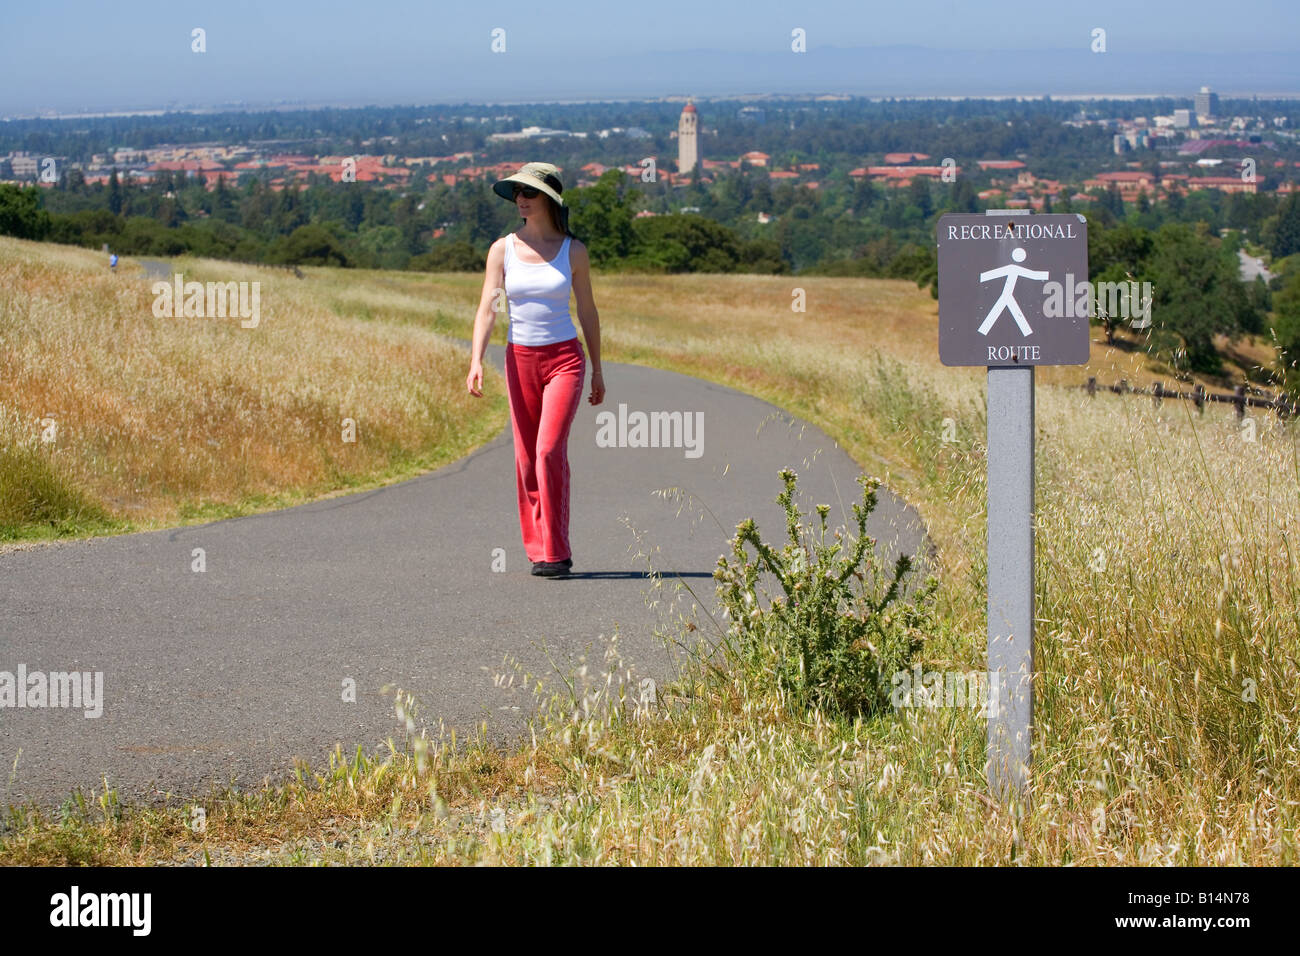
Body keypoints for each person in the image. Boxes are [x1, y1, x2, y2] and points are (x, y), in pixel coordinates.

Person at [466, 162, 605, 578]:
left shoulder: (573, 250)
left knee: (548, 451)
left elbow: (587, 310)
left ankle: (558, 552)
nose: (521, 200)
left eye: (528, 192)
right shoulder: (501, 249)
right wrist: (476, 359)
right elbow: (487, 308)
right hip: (519, 358)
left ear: (549, 199)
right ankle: (538, 549)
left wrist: (597, 368)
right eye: (516, 194)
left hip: (565, 358)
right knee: (526, 458)